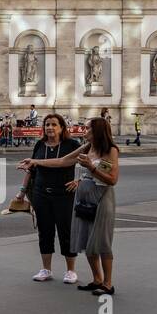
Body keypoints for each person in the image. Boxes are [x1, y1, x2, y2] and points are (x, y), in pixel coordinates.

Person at [20, 115, 118, 295]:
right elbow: (63, 161)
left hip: (102, 199)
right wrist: (35, 161)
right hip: (85, 200)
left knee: (102, 242)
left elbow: (112, 180)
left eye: (88, 128)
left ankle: (107, 283)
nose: (84, 130)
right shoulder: (88, 147)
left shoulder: (110, 150)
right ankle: (97, 279)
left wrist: (91, 167)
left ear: (97, 130)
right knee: (88, 241)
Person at [21, 113, 80, 284]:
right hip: (41, 194)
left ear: (62, 127)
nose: (50, 128)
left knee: (65, 231)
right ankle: (46, 269)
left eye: (54, 124)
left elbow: (88, 163)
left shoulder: (71, 145)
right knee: (44, 231)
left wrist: (79, 180)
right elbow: (31, 169)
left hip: (64, 194)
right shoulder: (40, 144)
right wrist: (22, 191)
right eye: (47, 124)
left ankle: (70, 270)